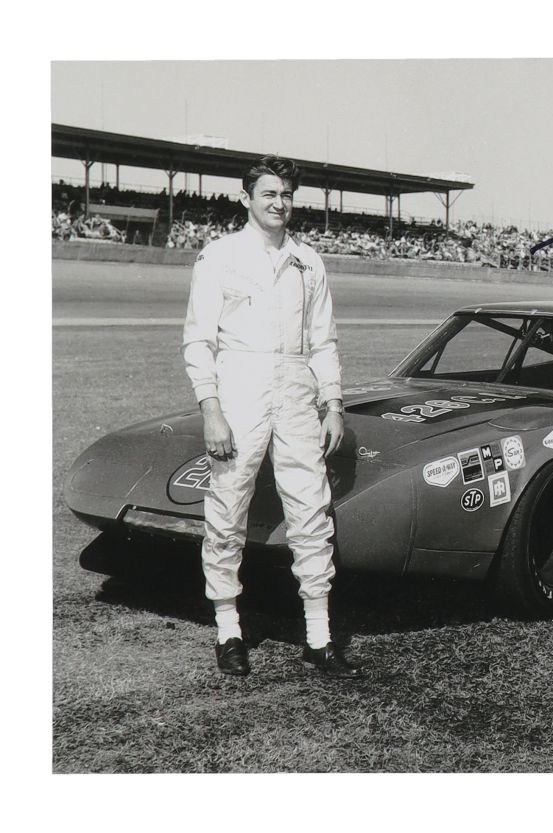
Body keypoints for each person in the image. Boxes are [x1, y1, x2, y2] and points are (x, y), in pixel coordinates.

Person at [182, 155, 361, 679]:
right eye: (269, 194)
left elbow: (323, 338)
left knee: (311, 507)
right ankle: (228, 629)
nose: (279, 203)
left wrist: (333, 402)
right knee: (228, 505)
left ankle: (319, 637)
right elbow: (199, 340)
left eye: (286, 194)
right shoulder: (219, 257)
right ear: (247, 198)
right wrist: (211, 410)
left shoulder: (309, 261)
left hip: (297, 390)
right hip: (239, 389)